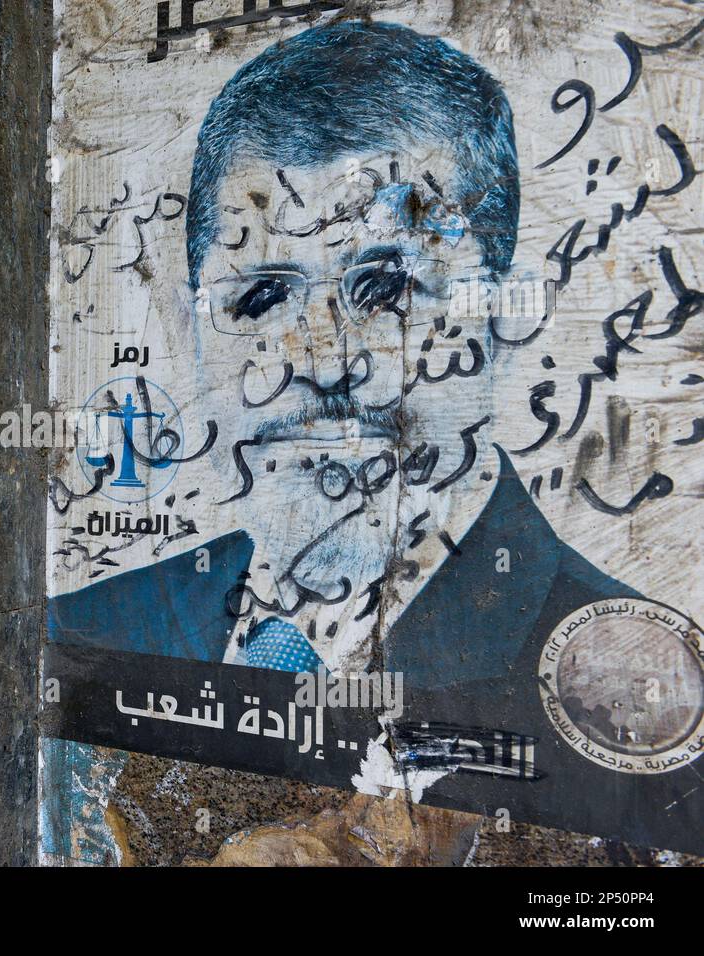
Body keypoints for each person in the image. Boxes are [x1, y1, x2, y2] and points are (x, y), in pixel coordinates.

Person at [49, 21, 702, 850]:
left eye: (385, 287)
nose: (322, 358)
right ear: (187, 333)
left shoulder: (640, 704)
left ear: (503, 313)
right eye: (262, 297)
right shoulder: (77, 638)